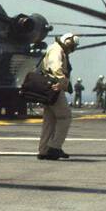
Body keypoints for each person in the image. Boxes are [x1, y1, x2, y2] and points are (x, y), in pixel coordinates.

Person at [37, 32, 78, 160]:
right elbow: (56, 67)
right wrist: (62, 82)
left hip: (48, 86)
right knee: (65, 116)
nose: (71, 50)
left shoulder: (55, 48)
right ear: (67, 42)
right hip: (54, 86)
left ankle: (44, 150)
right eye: (71, 47)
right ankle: (55, 147)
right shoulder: (57, 50)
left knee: (50, 120)